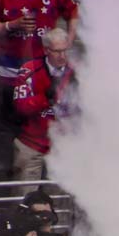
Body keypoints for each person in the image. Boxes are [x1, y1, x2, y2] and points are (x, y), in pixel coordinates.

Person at [11, 29, 76, 181]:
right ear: (46, 50)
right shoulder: (29, 70)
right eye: (57, 51)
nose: (63, 56)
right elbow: (20, 106)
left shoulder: (76, 71)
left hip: (65, 145)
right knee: (25, 196)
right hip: (32, 144)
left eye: (66, 50)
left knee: (61, 197)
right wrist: (45, 97)